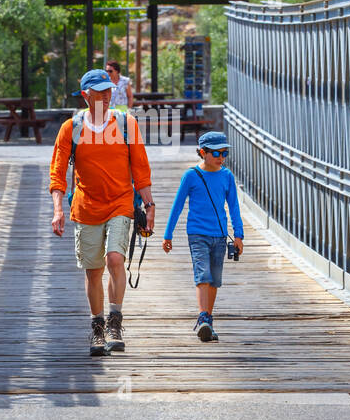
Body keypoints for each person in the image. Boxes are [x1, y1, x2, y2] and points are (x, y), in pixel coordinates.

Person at [49, 68, 155, 357]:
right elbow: (58, 172)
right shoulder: (72, 128)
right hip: (85, 206)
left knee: (115, 259)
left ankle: (115, 322)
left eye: (109, 91)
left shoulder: (126, 124)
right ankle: (97, 326)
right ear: (86, 95)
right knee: (93, 271)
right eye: (100, 92)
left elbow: (141, 169)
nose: (107, 96)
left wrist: (149, 205)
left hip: (121, 202)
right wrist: (58, 209)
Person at [161, 130, 244, 342]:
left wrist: (238, 235)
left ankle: (208, 319)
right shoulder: (191, 176)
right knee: (203, 274)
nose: (222, 158)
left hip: (219, 235)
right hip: (197, 233)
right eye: (217, 153)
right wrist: (167, 234)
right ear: (203, 152)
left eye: (224, 153)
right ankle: (203, 317)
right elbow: (177, 206)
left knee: (215, 280)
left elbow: (234, 207)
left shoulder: (227, 176)